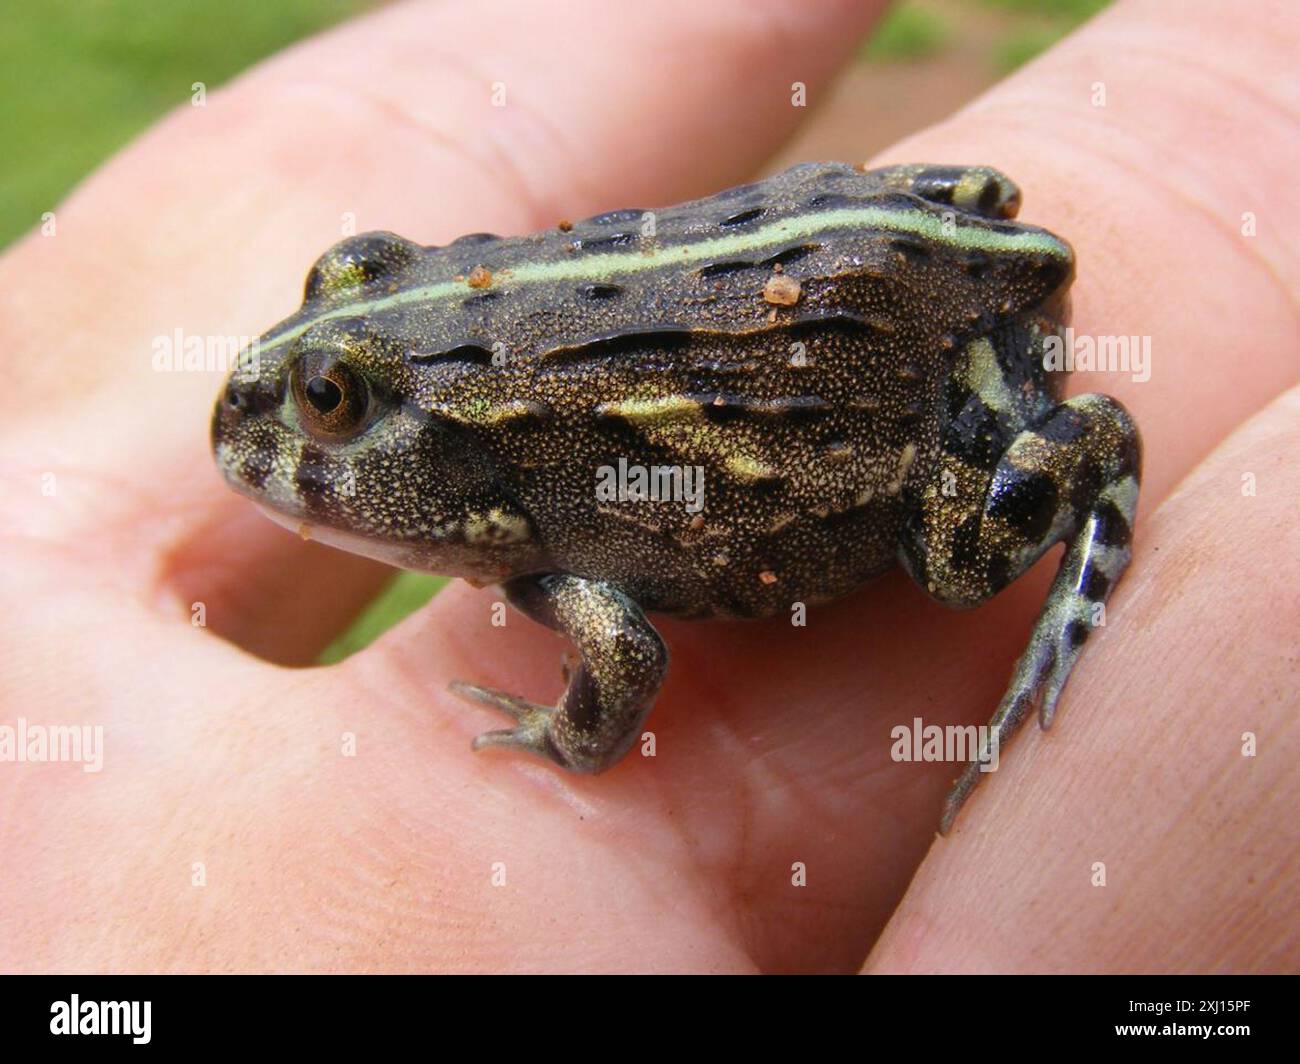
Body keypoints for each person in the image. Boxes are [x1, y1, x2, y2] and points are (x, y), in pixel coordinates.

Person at [0, 0, 1295, 973]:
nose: (289, 438)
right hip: (871, 247)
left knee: (960, 565)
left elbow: (622, 658)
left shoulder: (549, 559)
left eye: (335, 409)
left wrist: (567, 740)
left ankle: (1094, 465)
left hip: (933, 361)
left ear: (443, 446)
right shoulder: (519, 491)